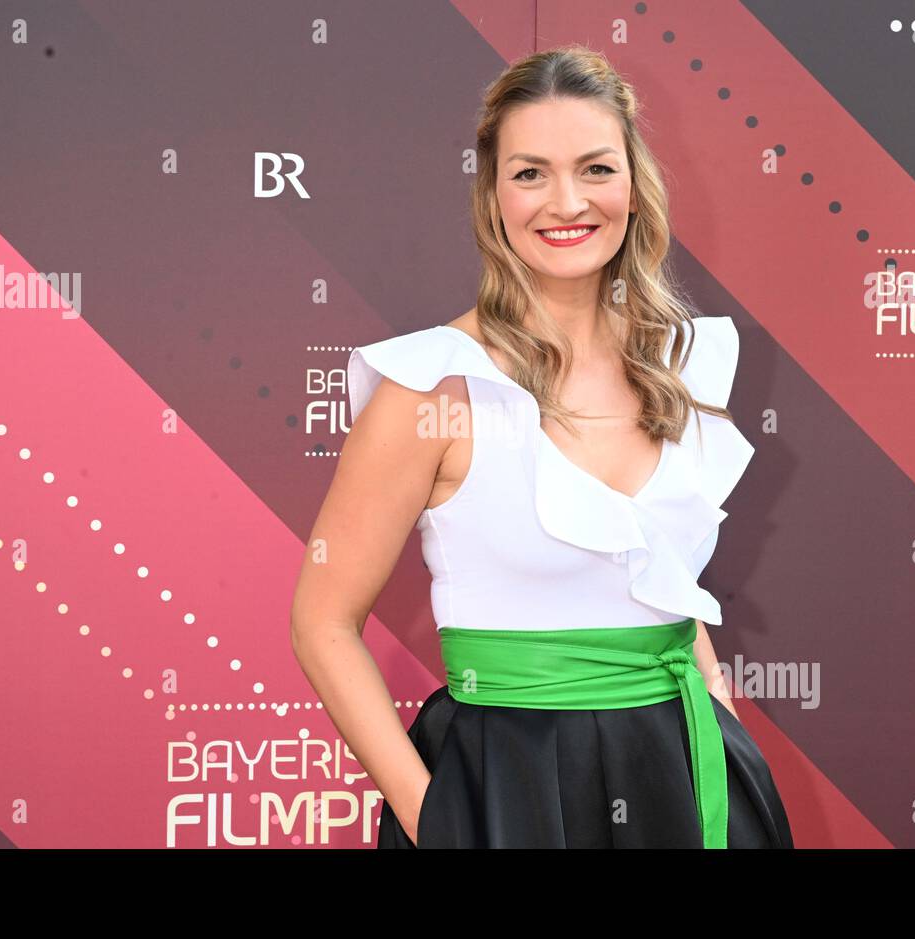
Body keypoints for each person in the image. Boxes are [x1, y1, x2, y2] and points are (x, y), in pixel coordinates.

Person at [290, 44, 794, 849]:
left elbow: (666, 590)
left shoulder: (683, 368)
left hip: (690, 778)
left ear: (634, 185)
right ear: (493, 196)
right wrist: (442, 821)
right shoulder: (434, 387)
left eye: (596, 168)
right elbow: (321, 621)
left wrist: (727, 741)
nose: (568, 201)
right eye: (530, 173)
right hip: (508, 787)